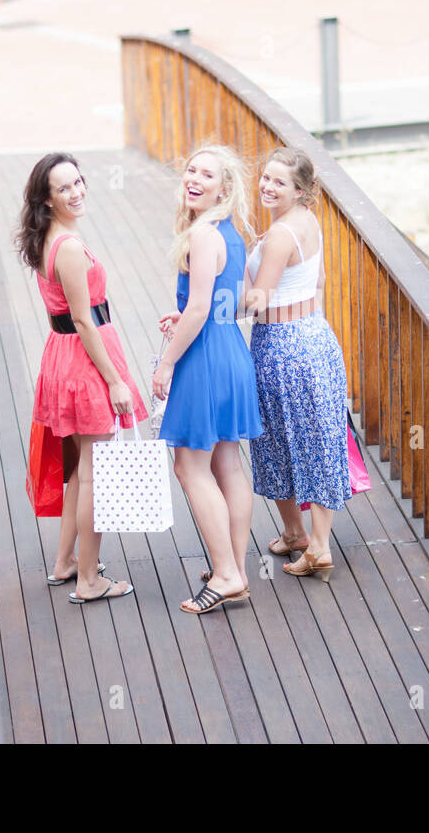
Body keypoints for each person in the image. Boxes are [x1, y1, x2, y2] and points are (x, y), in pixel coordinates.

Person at [15, 152, 147, 604]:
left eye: (78, 182)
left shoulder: (50, 238)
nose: (76, 192)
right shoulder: (68, 247)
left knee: (78, 471)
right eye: (64, 188)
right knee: (93, 474)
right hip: (83, 359)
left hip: (63, 354)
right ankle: (90, 581)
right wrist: (115, 381)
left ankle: (65, 562)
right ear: (47, 200)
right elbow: (84, 320)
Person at [153, 146, 263, 614]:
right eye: (191, 171)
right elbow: (223, 304)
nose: (194, 179)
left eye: (207, 174)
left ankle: (224, 573)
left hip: (204, 361)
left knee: (189, 467)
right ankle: (234, 567)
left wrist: (167, 363)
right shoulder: (231, 235)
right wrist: (182, 318)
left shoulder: (201, 234)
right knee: (228, 465)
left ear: (225, 186)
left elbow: (200, 308)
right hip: (230, 352)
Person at [243, 148, 350, 583]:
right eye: (265, 178)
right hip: (315, 336)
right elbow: (319, 281)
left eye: (278, 183)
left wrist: (207, 304)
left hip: (281, 345)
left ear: (300, 190)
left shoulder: (280, 236)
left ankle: (314, 544)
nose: (267, 186)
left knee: (277, 439)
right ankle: (300, 535)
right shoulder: (310, 222)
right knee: (316, 438)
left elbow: (257, 301)